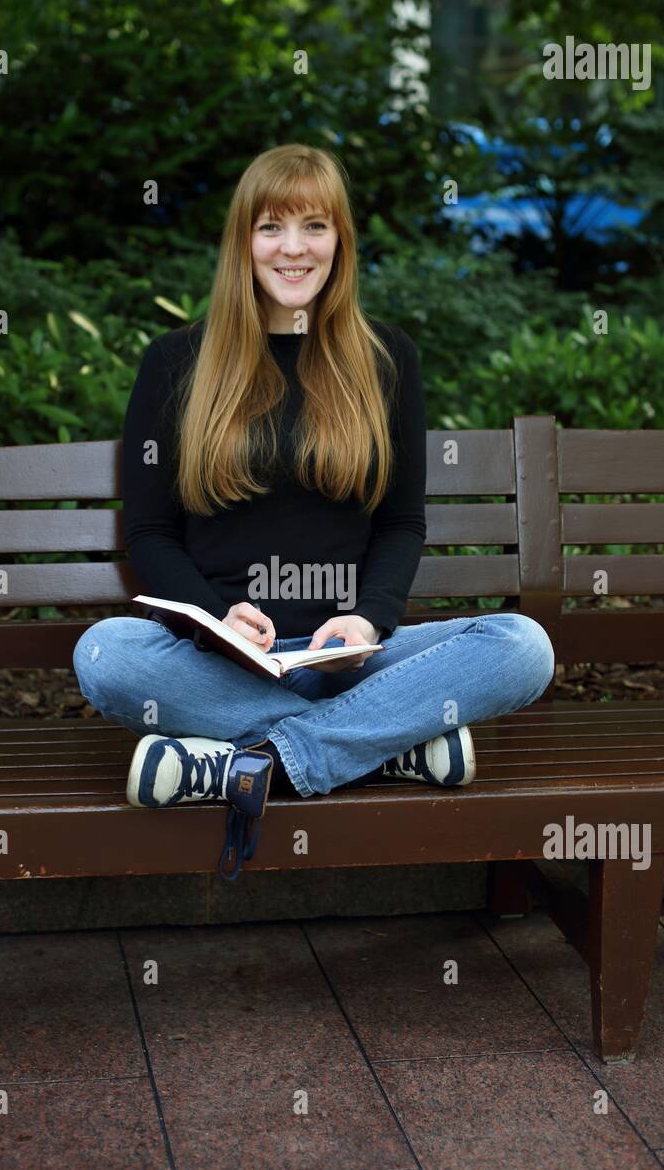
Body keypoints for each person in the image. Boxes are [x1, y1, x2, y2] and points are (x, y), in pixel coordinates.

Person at [73, 144, 555, 878]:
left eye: (314, 226)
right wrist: (219, 618)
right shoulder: (175, 362)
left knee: (524, 646)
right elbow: (151, 534)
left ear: (341, 241)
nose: (293, 248)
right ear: (243, 243)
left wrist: (365, 622)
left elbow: (400, 523)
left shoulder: (387, 359)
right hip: (221, 664)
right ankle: (388, 749)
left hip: (354, 662)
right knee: (104, 655)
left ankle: (252, 763)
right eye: (271, 227)